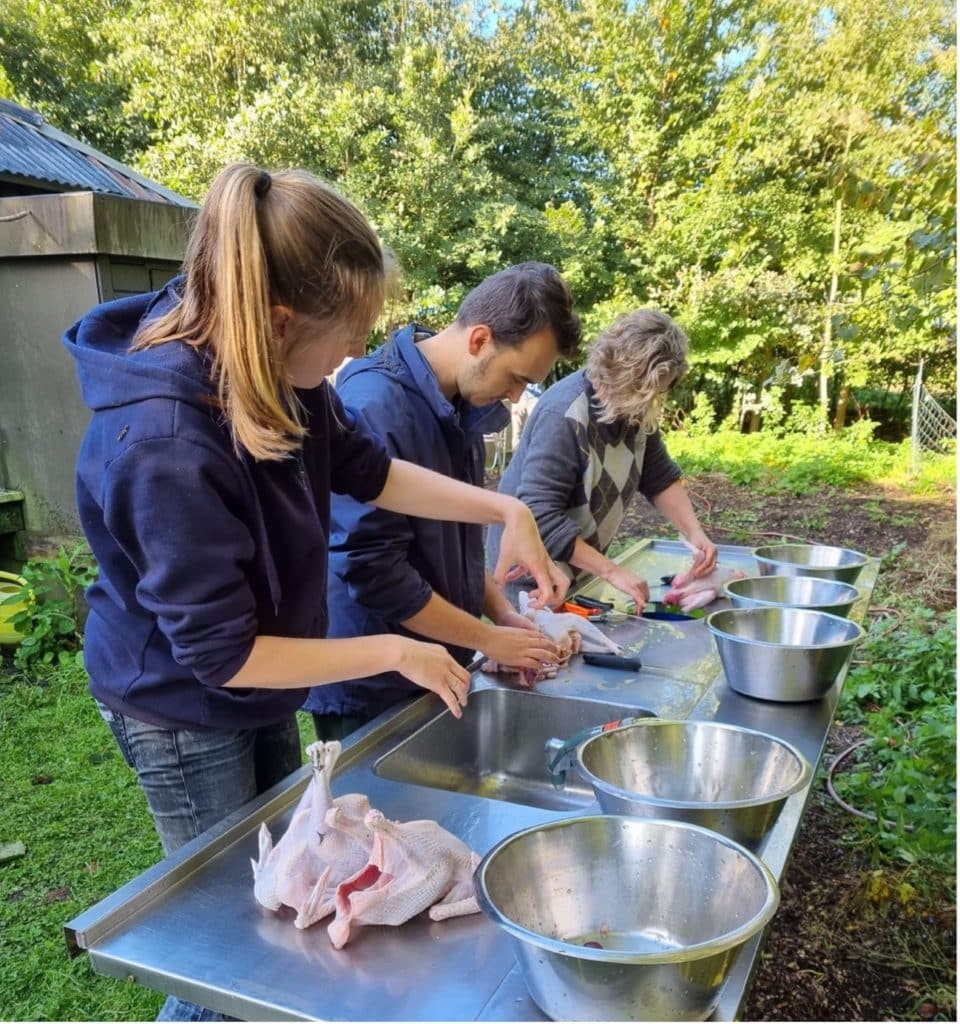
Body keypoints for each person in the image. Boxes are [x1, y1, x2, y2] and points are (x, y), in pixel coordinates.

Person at [64, 162, 567, 1021]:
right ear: (282, 321)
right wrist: (396, 646)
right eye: (349, 336)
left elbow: (372, 474)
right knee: (228, 935)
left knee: (280, 892)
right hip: (179, 703)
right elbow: (221, 652)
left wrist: (503, 506)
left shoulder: (278, 374)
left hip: (256, 679)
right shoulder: (164, 442)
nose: (354, 357)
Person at [303, 263, 582, 739]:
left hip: (438, 661)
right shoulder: (376, 403)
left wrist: (503, 614)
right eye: (516, 378)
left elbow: (456, 548)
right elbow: (376, 574)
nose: (516, 398)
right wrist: (488, 639)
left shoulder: (462, 406)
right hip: (374, 685)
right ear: (479, 340)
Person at [486, 308, 718, 609]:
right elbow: (538, 515)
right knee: (538, 651)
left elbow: (658, 476)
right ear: (621, 372)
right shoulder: (564, 415)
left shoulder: (633, 408)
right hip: (531, 574)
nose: (651, 401)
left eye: (659, 392)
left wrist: (695, 533)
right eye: (646, 391)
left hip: (578, 569)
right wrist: (612, 571)